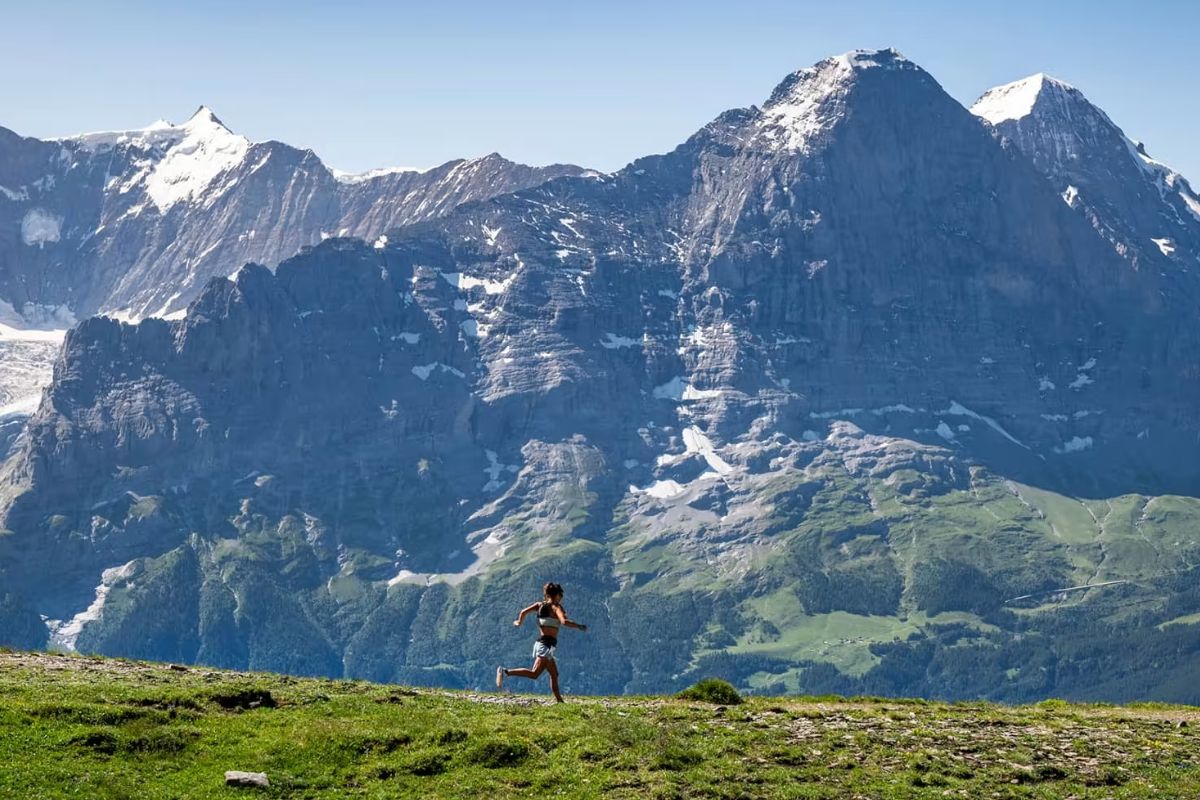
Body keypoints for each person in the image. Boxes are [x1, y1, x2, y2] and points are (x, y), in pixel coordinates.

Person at [496, 582, 587, 702]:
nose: (561, 599)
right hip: (546, 645)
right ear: (558, 595)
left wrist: (519, 622)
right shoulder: (556, 607)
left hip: (543, 644)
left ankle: (560, 702)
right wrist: (578, 626)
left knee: (554, 674)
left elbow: (523, 612)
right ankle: (505, 672)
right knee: (534, 674)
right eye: (561, 596)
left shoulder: (539, 605)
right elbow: (564, 622)